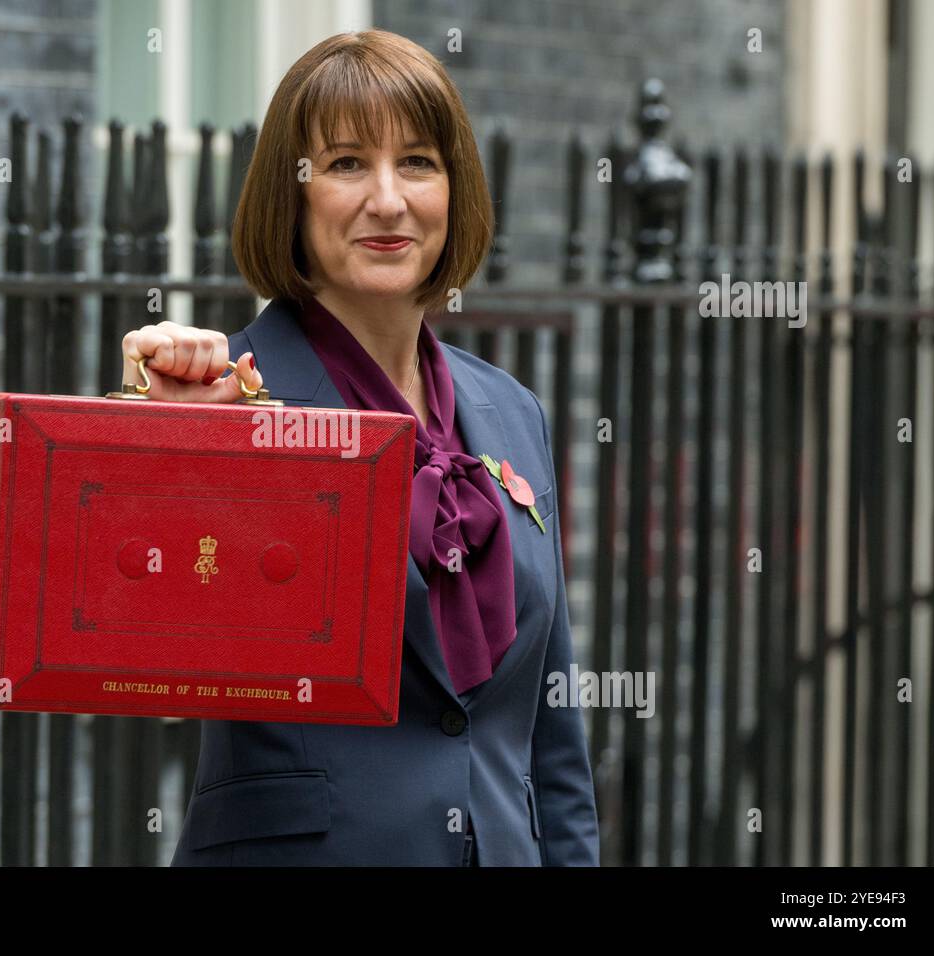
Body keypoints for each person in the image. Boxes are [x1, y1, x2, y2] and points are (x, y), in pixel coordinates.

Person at [121, 29, 598, 866]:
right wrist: (161, 435)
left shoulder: (513, 412)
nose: (388, 199)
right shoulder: (232, 400)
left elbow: (551, 733)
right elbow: (127, 649)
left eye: (417, 161)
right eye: (345, 164)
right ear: (292, 198)